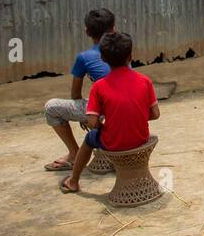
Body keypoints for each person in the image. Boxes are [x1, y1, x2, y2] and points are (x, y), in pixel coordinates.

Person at [60, 32, 159, 194]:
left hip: (113, 143)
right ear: (130, 56)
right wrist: (135, 115)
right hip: (141, 139)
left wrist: (105, 123)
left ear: (103, 59)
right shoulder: (145, 81)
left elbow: (92, 123)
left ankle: (73, 181)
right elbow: (155, 114)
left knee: (89, 139)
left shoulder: (98, 87)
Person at [43, 8, 115, 172]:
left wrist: (86, 116)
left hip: (105, 111)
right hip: (125, 108)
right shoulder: (123, 49)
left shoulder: (84, 57)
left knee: (51, 108)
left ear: (87, 31)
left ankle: (74, 153)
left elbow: (75, 94)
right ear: (114, 29)